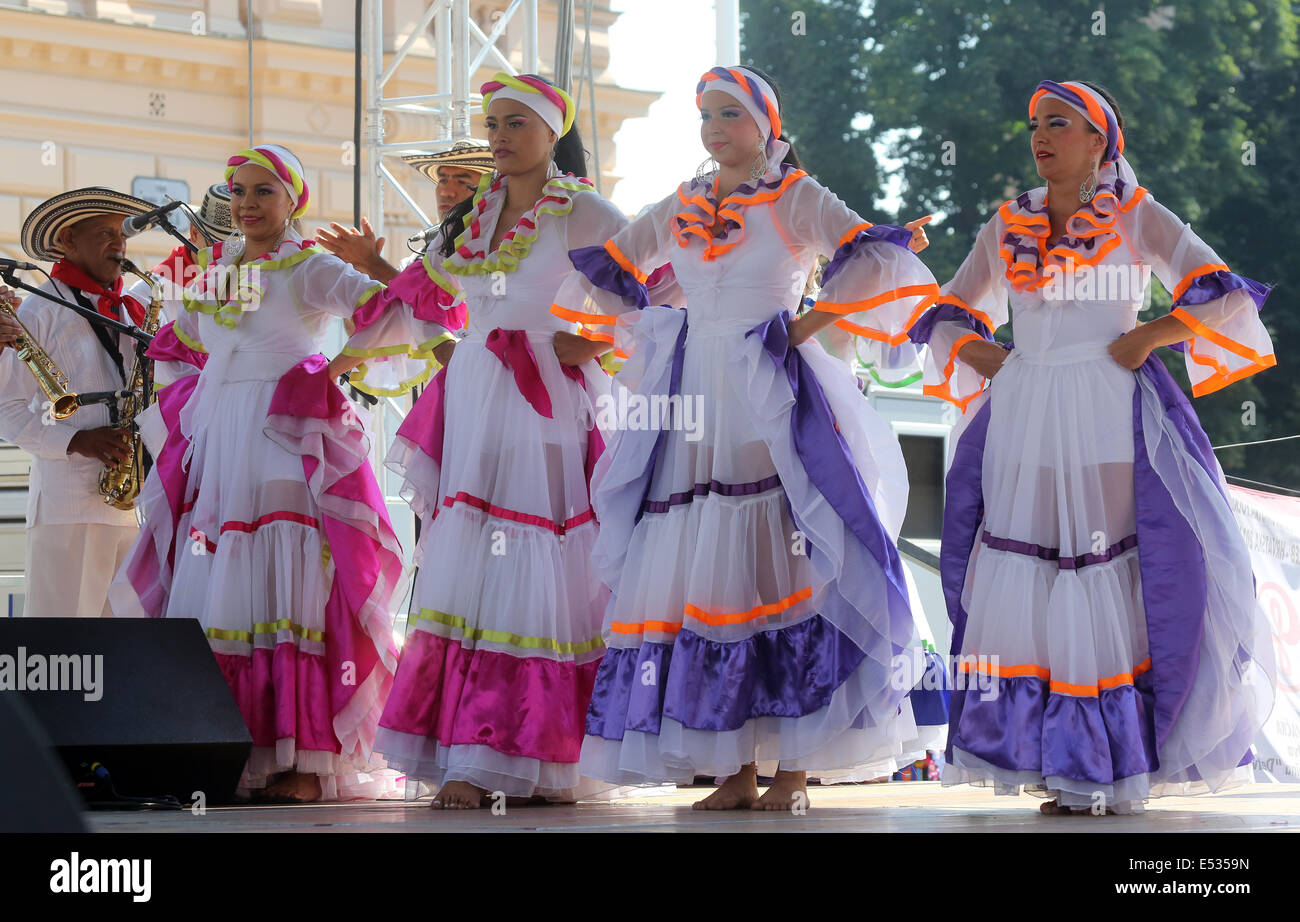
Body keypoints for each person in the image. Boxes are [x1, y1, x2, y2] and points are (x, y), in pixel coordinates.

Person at [558, 65, 943, 810]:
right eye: (707, 114)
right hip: (694, 391)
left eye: (730, 114)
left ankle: (794, 771)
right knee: (705, 566)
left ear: (766, 126)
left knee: (784, 556)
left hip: (772, 386)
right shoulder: (682, 202)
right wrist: (654, 324)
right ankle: (732, 769)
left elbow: (872, 256)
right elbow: (613, 267)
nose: (714, 127)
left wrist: (805, 325)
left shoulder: (794, 194)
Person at [908, 80, 1276, 815]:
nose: (1042, 137)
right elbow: (947, 310)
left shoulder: (1134, 213)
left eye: (1059, 124)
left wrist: (1148, 336)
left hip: (1106, 406)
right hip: (1025, 412)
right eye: (1035, 125)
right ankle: (1058, 765)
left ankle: (1109, 768)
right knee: (1031, 569)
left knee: (1101, 568)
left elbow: (1223, 294)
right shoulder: (1006, 223)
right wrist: (988, 357)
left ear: (1100, 140)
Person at [339, 73, 670, 809]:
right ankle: (478, 753)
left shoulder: (584, 211)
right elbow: (422, 299)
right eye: (493, 124)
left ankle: (526, 758)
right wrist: (348, 336)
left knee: (538, 557)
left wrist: (586, 345)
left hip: (544, 397)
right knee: (470, 558)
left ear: (554, 132)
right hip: (476, 394)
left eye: (517, 123)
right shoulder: (474, 216)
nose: (499, 137)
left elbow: (648, 297)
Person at [109, 143, 460, 802]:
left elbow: (391, 310)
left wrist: (331, 369)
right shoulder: (215, 269)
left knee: (287, 578)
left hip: (284, 438)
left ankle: (305, 762)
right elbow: (178, 341)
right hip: (221, 445)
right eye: (238, 191)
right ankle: (228, 749)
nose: (247, 204)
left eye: (263, 191)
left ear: (293, 200)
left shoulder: (309, 266)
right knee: (222, 580)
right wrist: (193, 403)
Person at [0, 187, 157, 617]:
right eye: (105, 234)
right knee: (62, 647)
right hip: (67, 507)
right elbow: (6, 409)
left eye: (122, 235)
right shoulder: (38, 310)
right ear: (68, 240)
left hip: (128, 505)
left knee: (122, 649)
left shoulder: (129, 310)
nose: (119, 244)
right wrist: (76, 441)